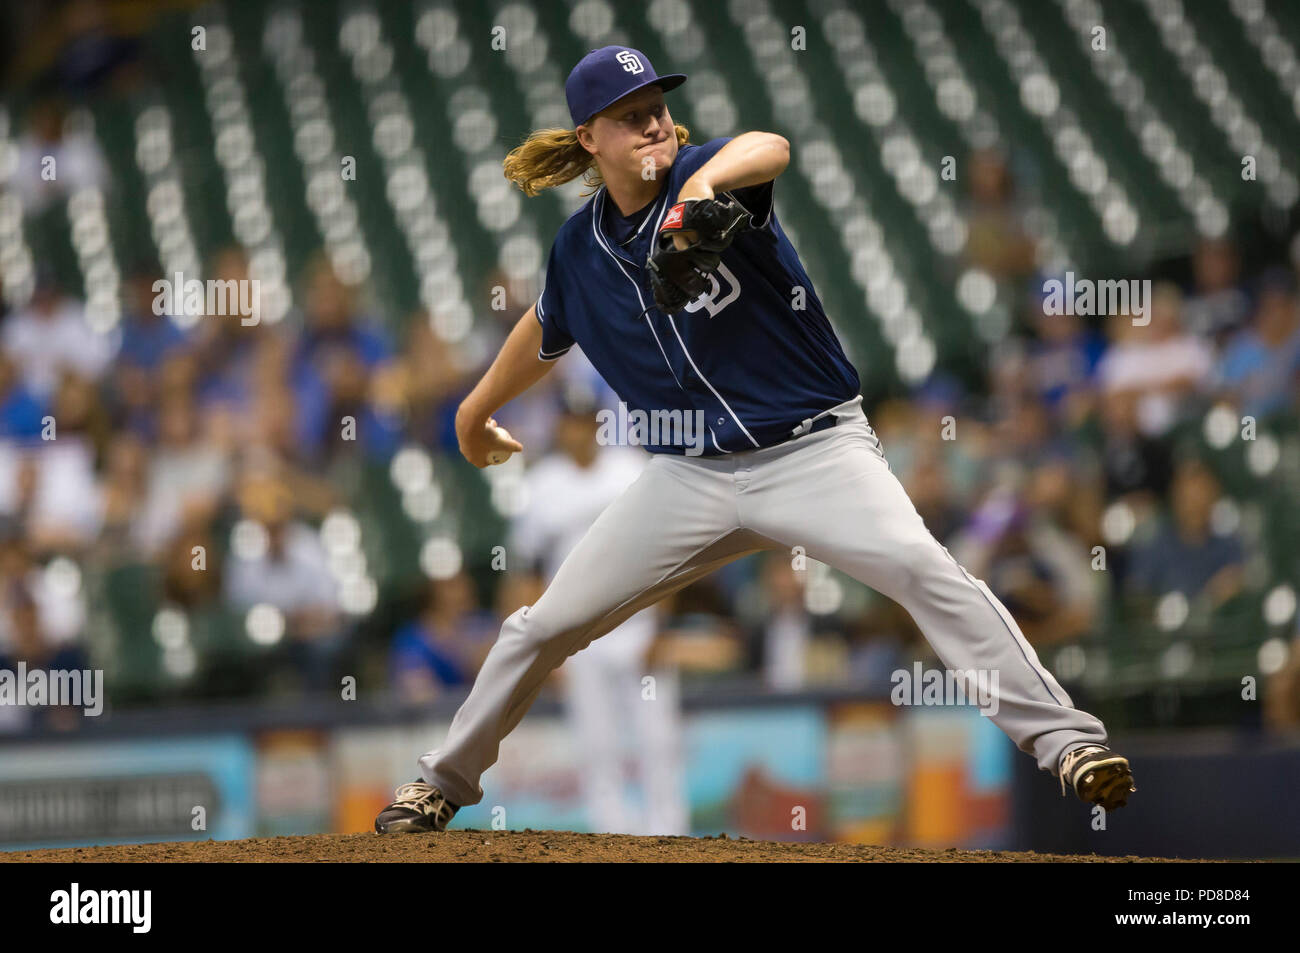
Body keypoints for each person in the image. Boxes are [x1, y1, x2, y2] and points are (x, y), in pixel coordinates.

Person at [375, 46, 1135, 835]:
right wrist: (473, 410)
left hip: (814, 451)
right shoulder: (579, 248)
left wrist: (700, 189)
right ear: (589, 137)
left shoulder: (705, 175)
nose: (652, 121)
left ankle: (1068, 743)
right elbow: (546, 326)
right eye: (630, 115)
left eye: (657, 106)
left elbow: (770, 145)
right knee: (541, 626)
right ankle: (439, 785)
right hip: (690, 477)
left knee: (921, 566)